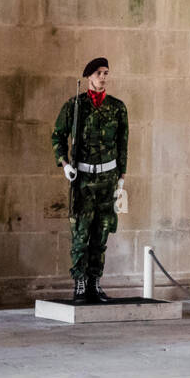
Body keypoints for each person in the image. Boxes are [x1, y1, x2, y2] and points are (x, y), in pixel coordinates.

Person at [51, 57, 128, 303]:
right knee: (81, 234)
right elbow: (58, 137)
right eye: (98, 73)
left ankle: (95, 282)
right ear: (88, 77)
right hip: (83, 179)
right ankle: (81, 283)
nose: (103, 77)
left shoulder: (117, 107)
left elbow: (122, 144)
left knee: (102, 232)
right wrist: (64, 165)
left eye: (105, 72)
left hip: (108, 178)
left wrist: (122, 177)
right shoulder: (75, 106)